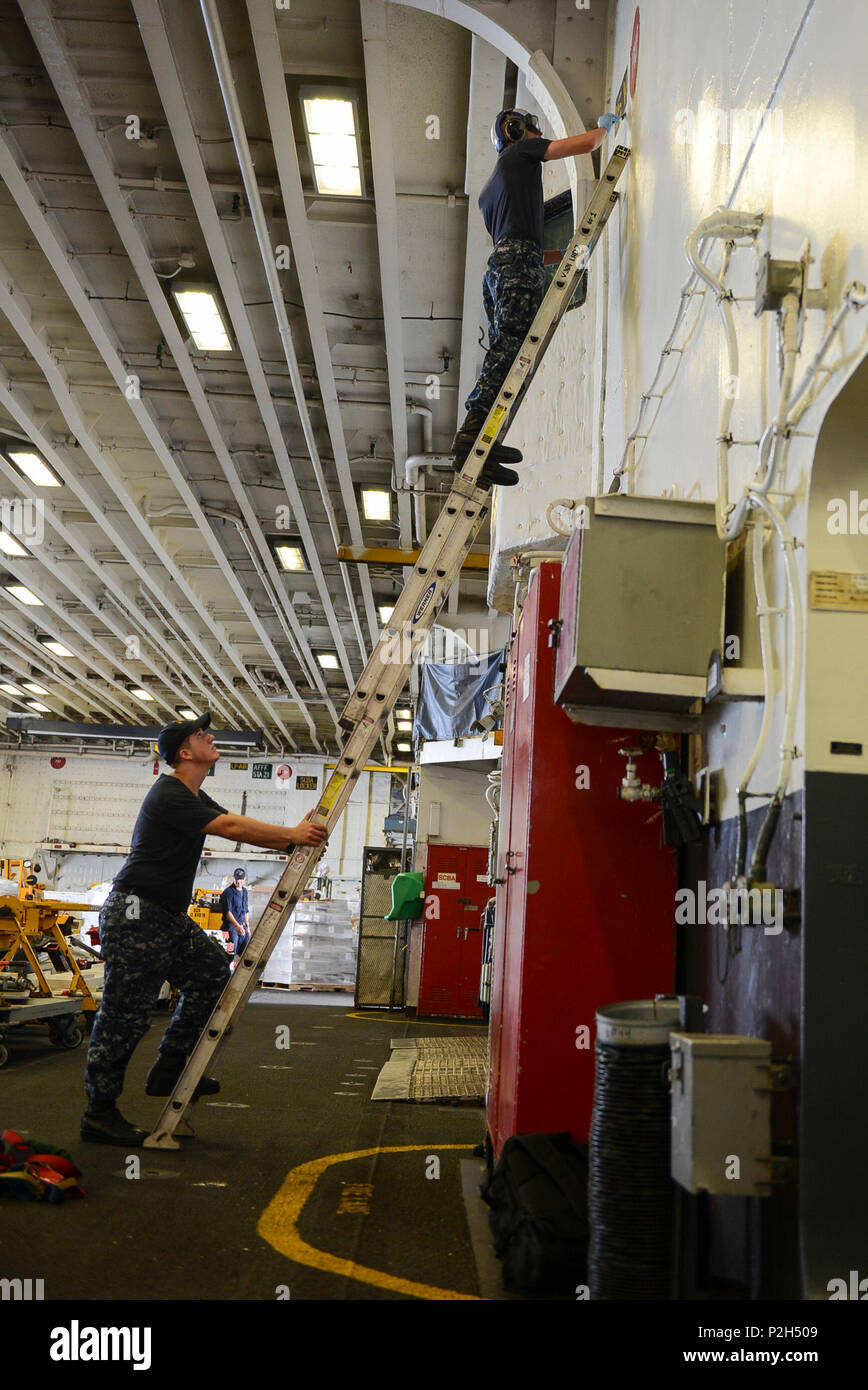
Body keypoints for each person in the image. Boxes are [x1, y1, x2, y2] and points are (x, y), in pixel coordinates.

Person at [81, 711, 328, 1146]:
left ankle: (169, 1069)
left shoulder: (195, 795)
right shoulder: (170, 794)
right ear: (184, 752)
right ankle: (99, 1114)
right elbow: (231, 826)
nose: (210, 736)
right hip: (136, 913)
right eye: (201, 734)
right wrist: (293, 832)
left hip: (165, 917)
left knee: (215, 975)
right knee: (125, 1016)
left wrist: (294, 838)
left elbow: (243, 831)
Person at [452, 106, 621, 487]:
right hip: (515, 263)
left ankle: (484, 438)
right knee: (513, 346)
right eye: (530, 130)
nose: (535, 136)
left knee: (505, 348)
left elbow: (514, 238)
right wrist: (604, 130)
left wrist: (558, 256)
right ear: (515, 131)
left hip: (500, 266)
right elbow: (584, 144)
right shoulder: (518, 154)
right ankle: (472, 430)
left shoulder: (489, 192)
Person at [221, 867, 251, 971]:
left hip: (241, 927)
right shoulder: (228, 893)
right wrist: (237, 926)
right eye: (237, 879)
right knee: (230, 953)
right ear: (234, 878)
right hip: (229, 928)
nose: (239, 881)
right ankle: (227, 976)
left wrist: (247, 927)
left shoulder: (245, 892)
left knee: (247, 952)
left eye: (241, 879)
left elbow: (246, 910)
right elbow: (227, 913)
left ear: (245, 879)